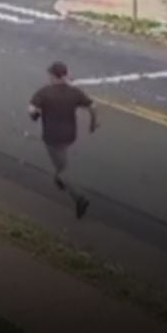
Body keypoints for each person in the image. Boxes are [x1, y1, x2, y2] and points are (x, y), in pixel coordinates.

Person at [28, 61, 98, 219]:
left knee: (62, 170)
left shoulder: (44, 93)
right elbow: (92, 107)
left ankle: (79, 198)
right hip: (69, 135)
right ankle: (59, 181)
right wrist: (93, 123)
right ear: (65, 75)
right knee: (61, 159)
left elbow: (32, 110)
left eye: (50, 75)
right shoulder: (75, 92)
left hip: (53, 137)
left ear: (53, 76)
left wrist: (35, 115)